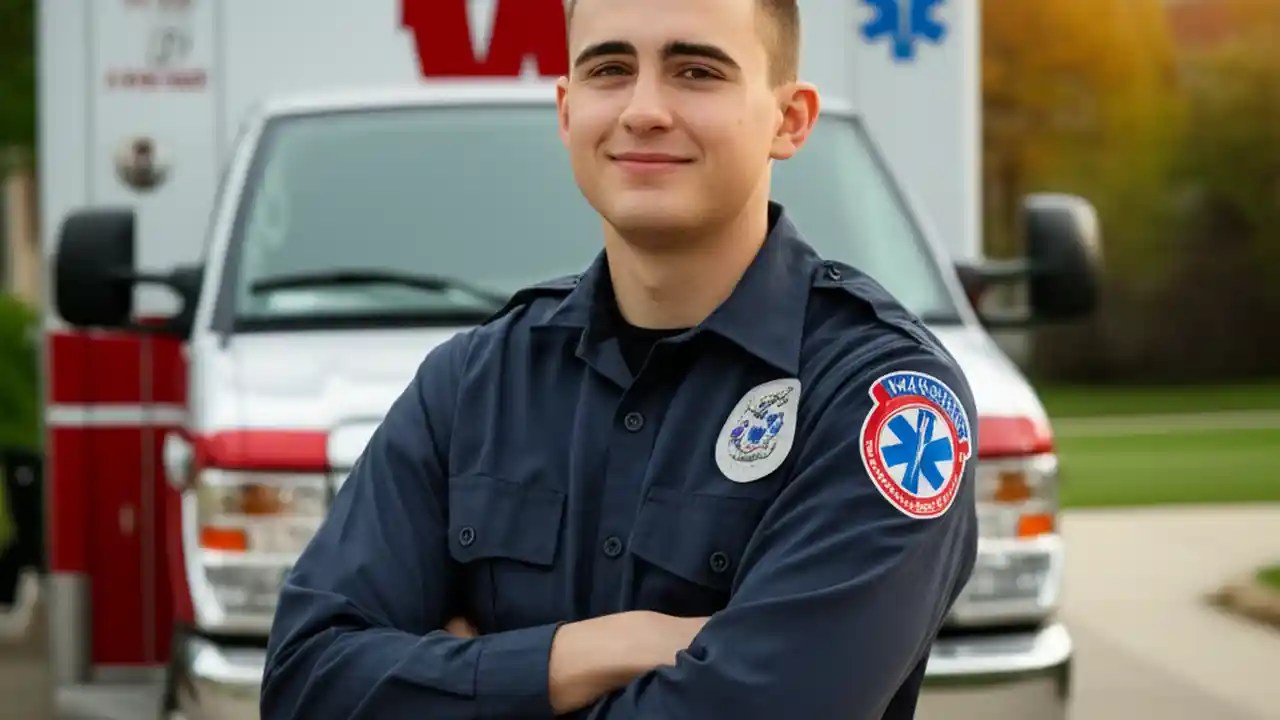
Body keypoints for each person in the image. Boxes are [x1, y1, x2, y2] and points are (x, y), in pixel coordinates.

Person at [260, 0, 979, 717]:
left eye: (696, 71)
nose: (643, 111)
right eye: (610, 69)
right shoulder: (474, 383)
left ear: (788, 120)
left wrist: (467, 679)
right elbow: (304, 684)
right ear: (567, 110)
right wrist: (585, 652)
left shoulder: (882, 400)